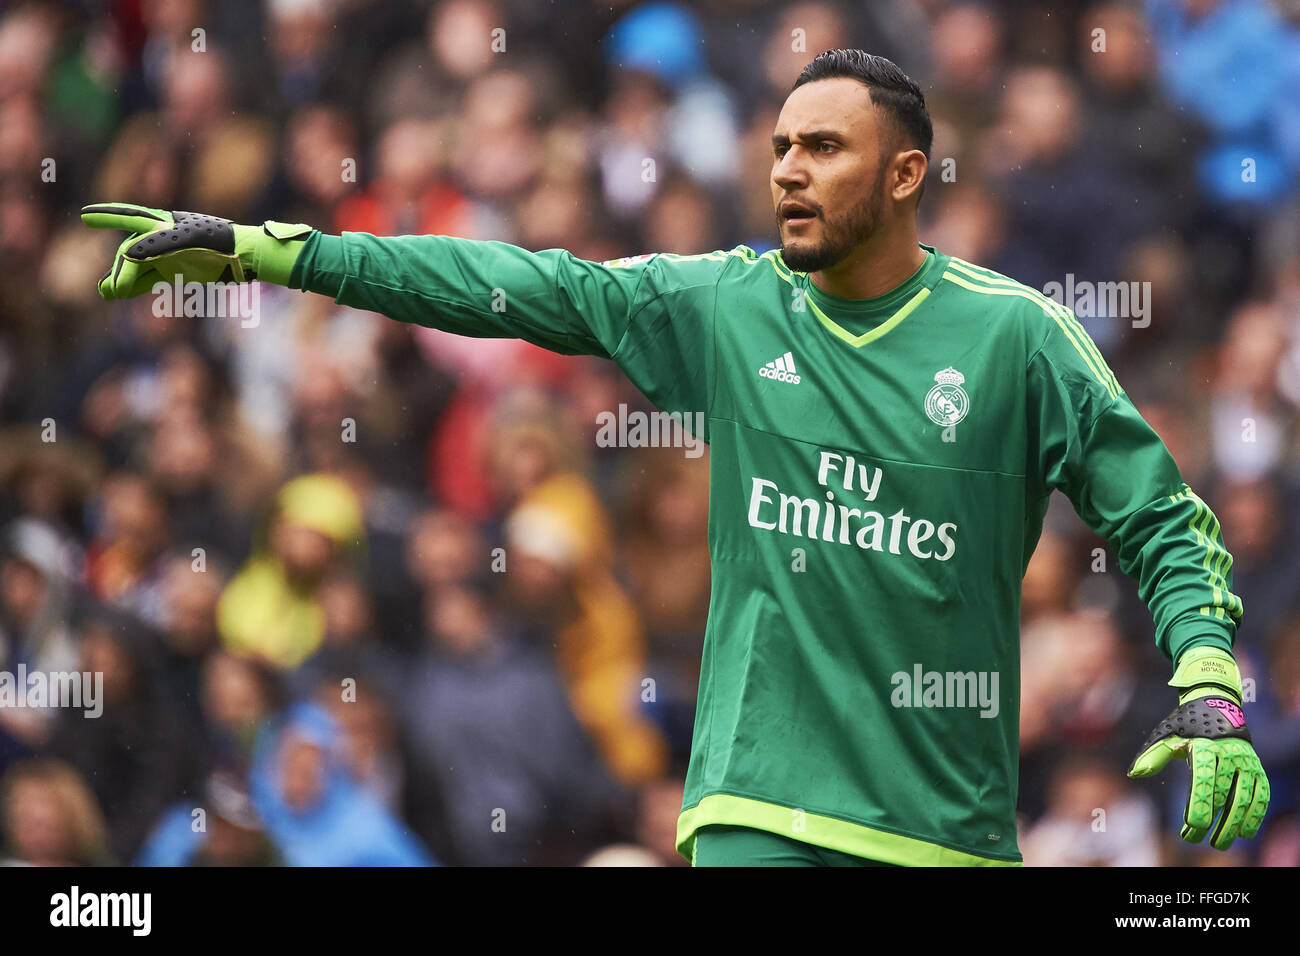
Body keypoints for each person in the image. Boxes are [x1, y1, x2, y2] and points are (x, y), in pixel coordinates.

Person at [80, 49, 1269, 867]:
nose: (788, 171)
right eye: (781, 147)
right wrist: (275, 252)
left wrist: (1210, 685)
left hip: (940, 829)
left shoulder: (1015, 338)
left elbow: (1161, 519)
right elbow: (511, 286)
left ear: (907, 174)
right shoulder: (729, 306)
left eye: (825, 150)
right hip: (753, 806)